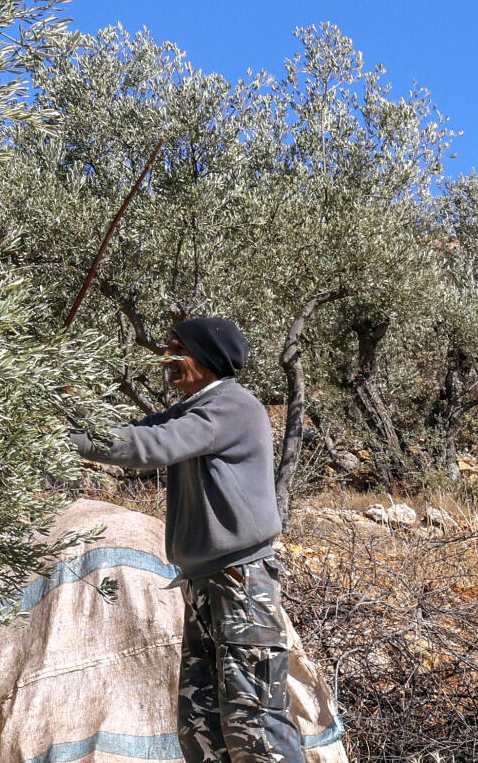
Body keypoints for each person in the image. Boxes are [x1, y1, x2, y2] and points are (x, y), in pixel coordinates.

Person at [71, 317, 304, 763]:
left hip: (241, 582)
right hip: (205, 584)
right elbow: (133, 432)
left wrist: (69, 438)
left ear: (208, 358)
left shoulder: (229, 407)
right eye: (168, 348)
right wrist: (66, 412)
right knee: (201, 727)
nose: (168, 358)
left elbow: (149, 448)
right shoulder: (194, 409)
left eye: (179, 350)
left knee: (255, 723)